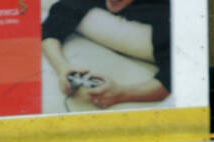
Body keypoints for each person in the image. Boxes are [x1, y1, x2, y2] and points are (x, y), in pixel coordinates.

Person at [41, 0, 171, 108]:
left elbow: (172, 76)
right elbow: (50, 28)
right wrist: (62, 68)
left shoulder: (164, 12)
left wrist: (123, 93)